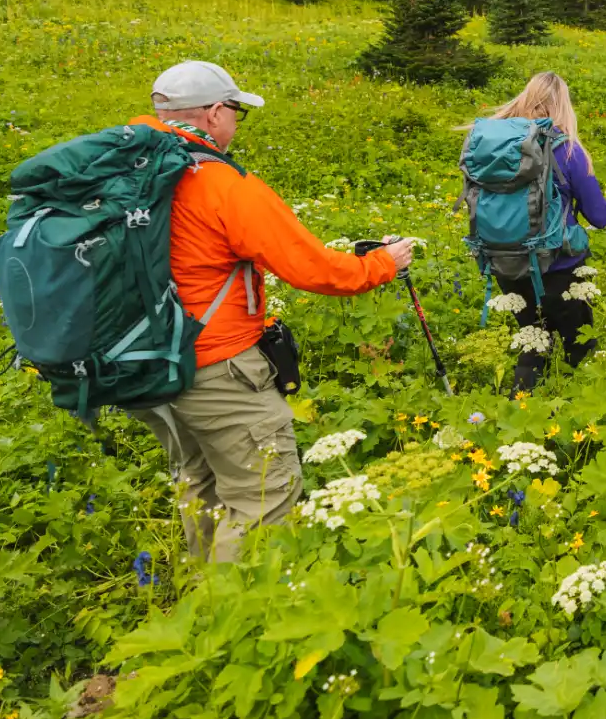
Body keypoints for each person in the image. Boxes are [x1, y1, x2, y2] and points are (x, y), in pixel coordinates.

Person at [126, 60, 413, 562]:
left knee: (200, 481)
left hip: (140, 361)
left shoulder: (124, 170)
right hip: (213, 365)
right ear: (214, 114)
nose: (236, 122)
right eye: (236, 111)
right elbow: (312, 269)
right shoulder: (221, 183)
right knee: (265, 493)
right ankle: (237, 620)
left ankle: (202, 602)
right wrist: (382, 263)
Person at [486, 71, 606, 390]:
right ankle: (582, 423)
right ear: (561, 105)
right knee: (580, 346)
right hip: (559, 267)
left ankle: (518, 416)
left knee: (533, 344)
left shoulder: (496, 146)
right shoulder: (567, 151)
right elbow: (598, 216)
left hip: (506, 264)